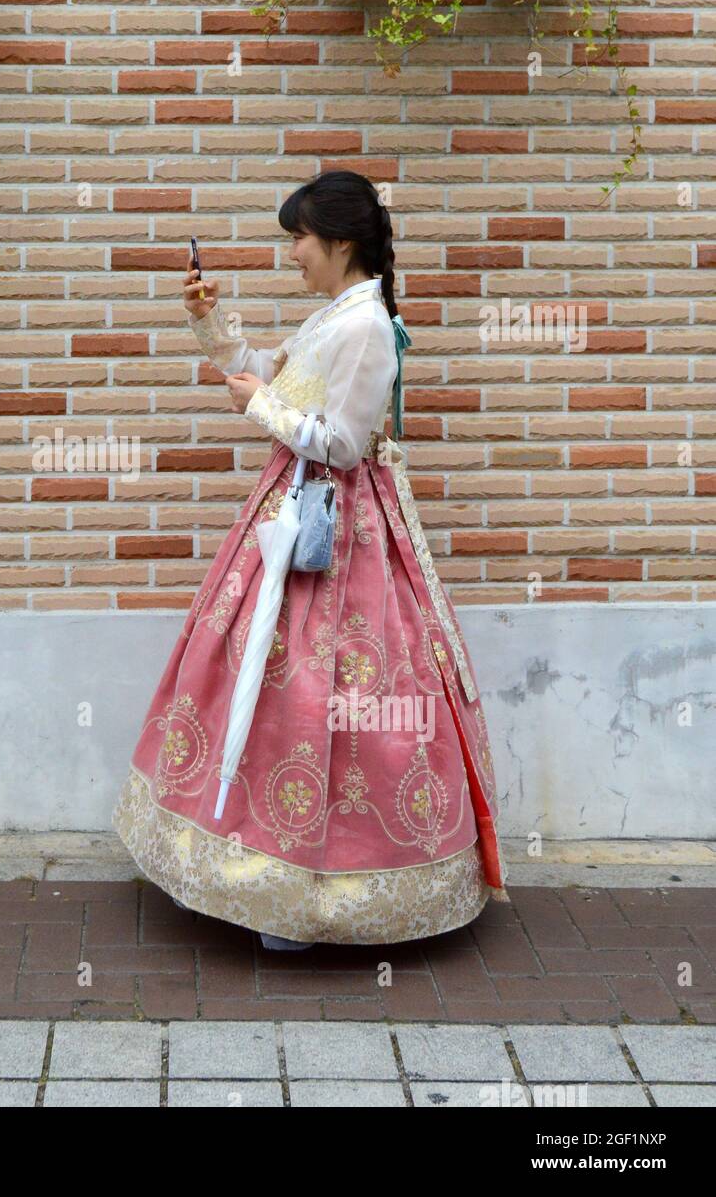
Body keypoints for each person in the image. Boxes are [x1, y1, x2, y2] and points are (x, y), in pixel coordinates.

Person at [112, 171, 508, 949]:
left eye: (299, 238)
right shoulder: (339, 316)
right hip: (296, 514)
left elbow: (342, 443)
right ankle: (260, 871)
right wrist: (212, 323)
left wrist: (259, 405)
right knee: (273, 681)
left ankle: (309, 896)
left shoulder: (366, 326)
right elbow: (277, 371)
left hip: (337, 535)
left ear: (342, 242)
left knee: (331, 694)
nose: (292, 252)